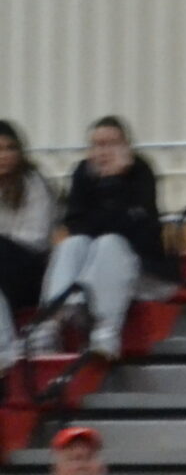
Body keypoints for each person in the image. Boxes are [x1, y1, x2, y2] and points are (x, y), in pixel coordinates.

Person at [32, 116, 170, 364]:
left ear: (126, 146)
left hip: (142, 267)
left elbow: (139, 231)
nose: (102, 151)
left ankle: (106, 330)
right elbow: (77, 226)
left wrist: (113, 182)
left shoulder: (141, 172)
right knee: (71, 245)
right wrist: (109, 199)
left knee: (110, 243)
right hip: (93, 264)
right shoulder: (82, 173)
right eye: (96, 145)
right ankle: (50, 323)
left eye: (110, 144)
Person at [0, 119, 57, 320]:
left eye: (10, 149)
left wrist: (5, 239)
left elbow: (38, 239)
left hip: (30, 270)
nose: (4, 156)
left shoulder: (33, 184)